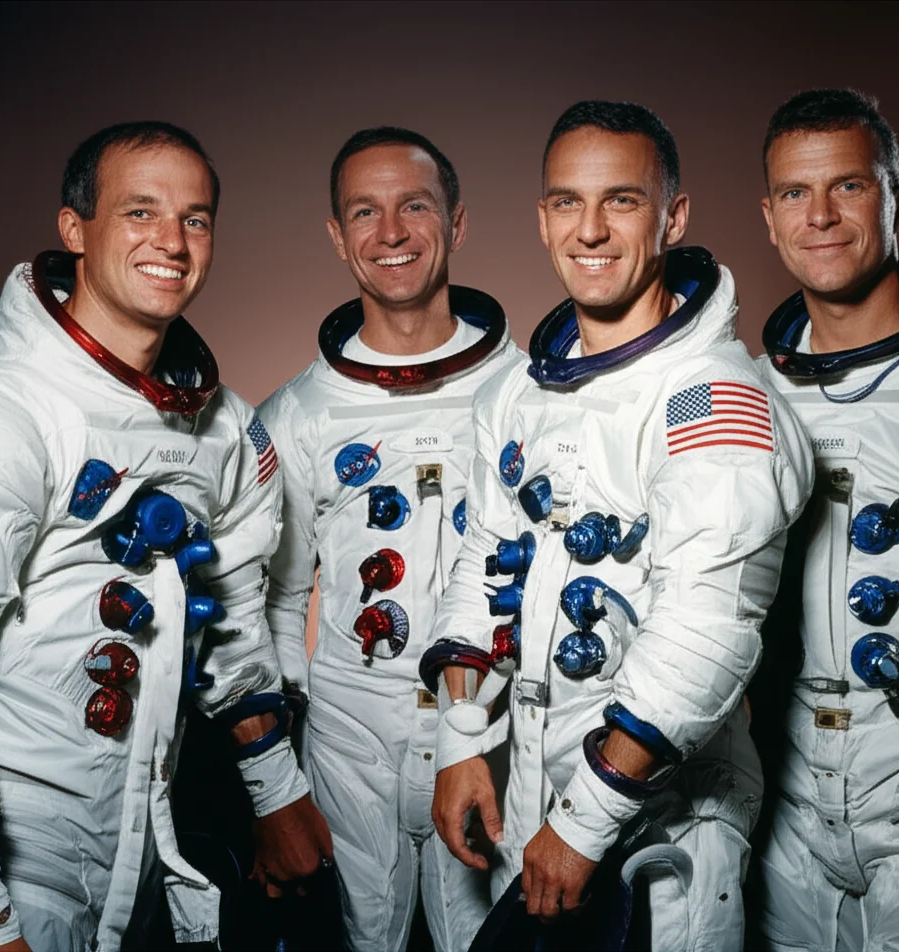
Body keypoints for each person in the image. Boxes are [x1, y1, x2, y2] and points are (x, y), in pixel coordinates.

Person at [423, 100, 813, 950]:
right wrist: (458, 737)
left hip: (656, 812)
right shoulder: (515, 394)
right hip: (528, 781)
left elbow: (707, 630)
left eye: (622, 201)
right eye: (567, 201)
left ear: (673, 216)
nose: (590, 229)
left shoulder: (716, 398)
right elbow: (484, 559)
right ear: (541, 218)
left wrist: (590, 819)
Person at [0, 121, 331, 952]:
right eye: (140, 212)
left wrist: (276, 791)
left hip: (146, 833)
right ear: (75, 229)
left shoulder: (227, 431)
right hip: (18, 850)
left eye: (195, 219)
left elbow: (232, 620)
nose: (171, 240)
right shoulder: (7, 411)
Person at [259, 126, 520, 952]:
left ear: (458, 222)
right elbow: (277, 597)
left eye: (415, 206)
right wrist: (281, 778)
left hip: (488, 726)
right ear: (338, 238)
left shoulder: (528, 392)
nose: (392, 233)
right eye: (364, 213)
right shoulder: (297, 414)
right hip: (347, 738)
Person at [753, 88, 899, 952]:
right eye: (794, 194)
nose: (820, 216)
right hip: (786, 819)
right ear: (770, 218)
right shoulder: (752, 395)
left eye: (849, 187)